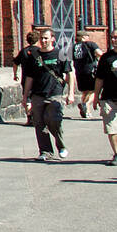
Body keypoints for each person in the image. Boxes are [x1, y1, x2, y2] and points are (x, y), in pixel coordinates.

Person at [23, 27, 74, 161]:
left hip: (55, 93)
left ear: (52, 39)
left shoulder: (60, 54)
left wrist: (71, 93)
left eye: (46, 38)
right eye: (41, 38)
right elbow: (29, 78)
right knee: (39, 123)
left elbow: (69, 74)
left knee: (54, 120)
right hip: (37, 94)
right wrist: (25, 97)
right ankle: (45, 151)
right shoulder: (33, 56)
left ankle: (61, 146)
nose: (43, 40)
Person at [89, 37, 117, 166]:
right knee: (111, 128)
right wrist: (95, 97)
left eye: (116, 37)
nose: (114, 39)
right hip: (108, 97)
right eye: (112, 37)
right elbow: (99, 79)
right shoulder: (106, 58)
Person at [72, 30, 101, 118]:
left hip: (79, 71)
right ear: (84, 37)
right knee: (94, 90)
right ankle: (86, 104)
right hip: (90, 70)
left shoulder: (74, 47)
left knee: (85, 92)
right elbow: (99, 53)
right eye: (87, 36)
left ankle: (87, 112)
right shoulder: (90, 44)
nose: (88, 37)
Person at [14, 31, 40, 126]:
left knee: (27, 98)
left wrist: (15, 74)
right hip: (38, 78)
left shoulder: (23, 51)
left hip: (25, 78)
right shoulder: (39, 51)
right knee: (37, 98)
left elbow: (15, 63)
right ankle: (35, 115)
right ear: (37, 40)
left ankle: (29, 117)